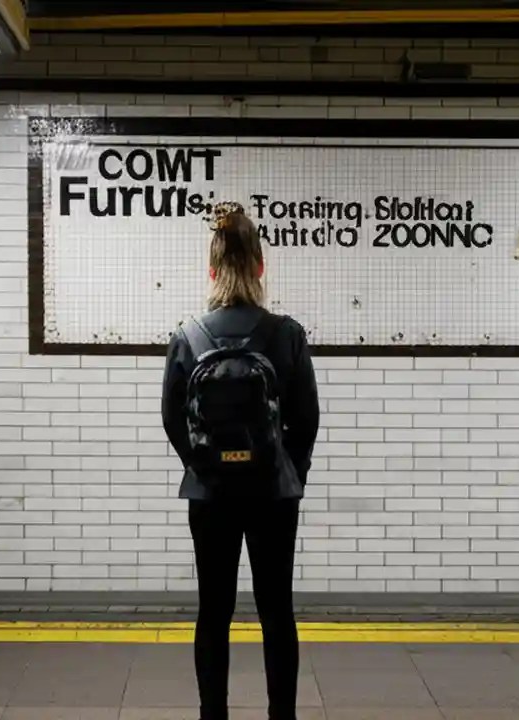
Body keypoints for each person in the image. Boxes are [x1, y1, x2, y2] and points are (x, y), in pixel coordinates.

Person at [161, 201, 319, 720]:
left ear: (211, 269)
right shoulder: (287, 334)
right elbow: (307, 420)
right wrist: (282, 471)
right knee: (277, 611)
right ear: (260, 267)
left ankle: (213, 714)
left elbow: (172, 418)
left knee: (214, 612)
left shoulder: (188, 336)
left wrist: (206, 467)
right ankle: (282, 715)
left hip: (210, 496)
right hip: (273, 495)